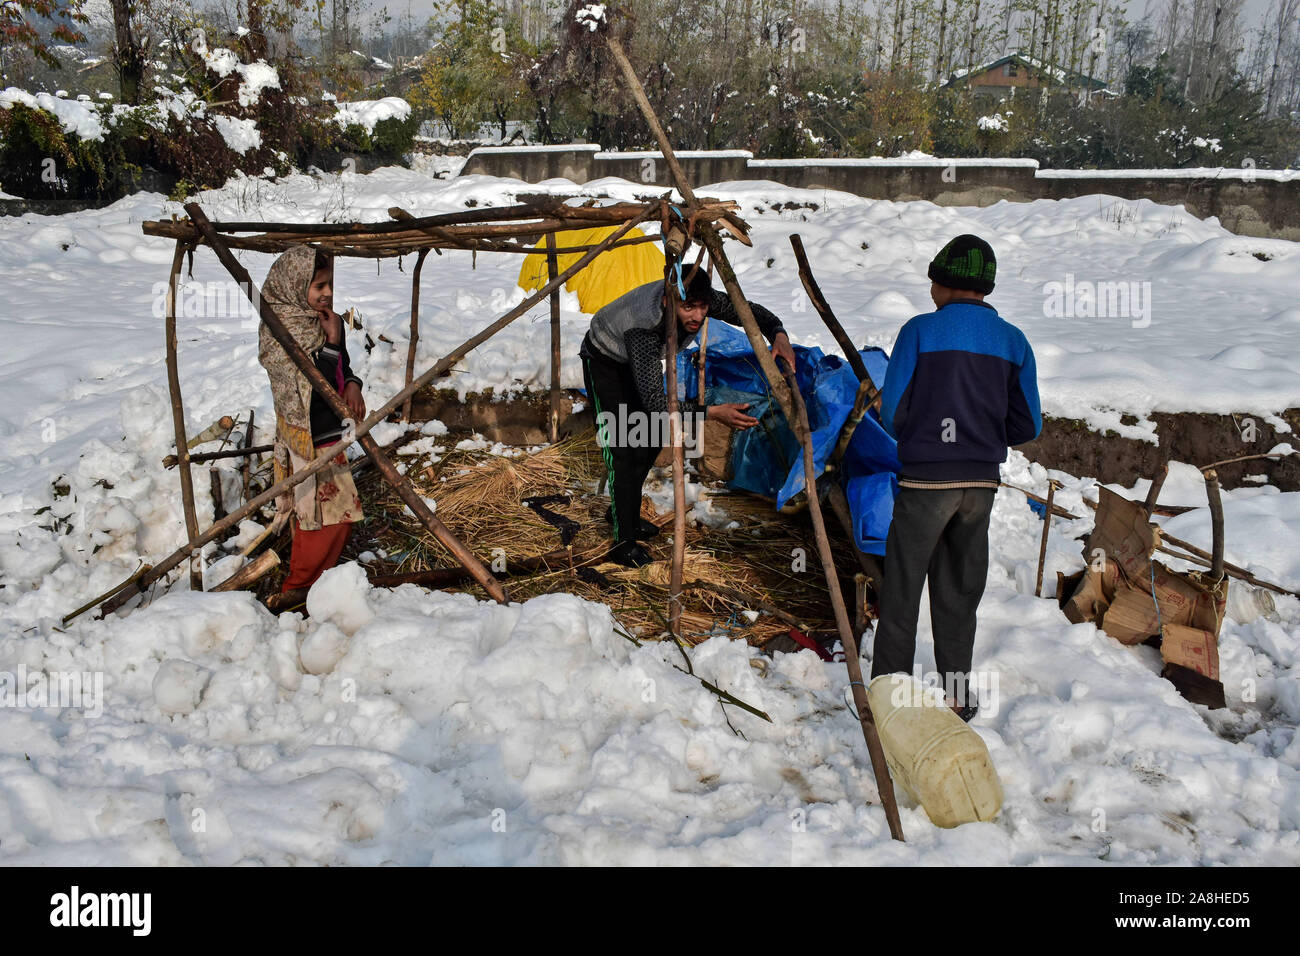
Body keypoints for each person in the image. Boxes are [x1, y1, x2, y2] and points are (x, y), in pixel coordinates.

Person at [871, 234, 1041, 720]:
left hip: (926, 482)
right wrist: (983, 435)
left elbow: (893, 411)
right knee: (959, 590)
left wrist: (923, 434)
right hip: (980, 485)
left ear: (941, 283)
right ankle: (955, 694)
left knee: (903, 586)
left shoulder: (919, 332)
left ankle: (891, 695)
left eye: (932, 281)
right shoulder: (1013, 340)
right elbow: (1027, 424)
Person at [581, 269, 796, 567]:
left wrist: (778, 333)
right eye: (688, 307)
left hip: (636, 361)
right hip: (605, 360)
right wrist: (712, 413)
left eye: (702, 307)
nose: (697, 315)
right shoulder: (644, 324)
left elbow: (747, 310)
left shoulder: (700, 299)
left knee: (652, 438)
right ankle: (623, 541)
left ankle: (623, 510)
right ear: (670, 302)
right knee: (624, 448)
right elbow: (658, 405)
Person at [258, 245, 366, 593]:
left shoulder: (324, 320)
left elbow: (339, 364)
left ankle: (318, 580)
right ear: (294, 285)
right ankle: (299, 587)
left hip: (331, 429)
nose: (328, 293)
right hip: (308, 434)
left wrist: (352, 383)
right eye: (319, 286)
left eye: (329, 284)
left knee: (335, 515)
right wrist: (332, 343)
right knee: (319, 519)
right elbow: (306, 382)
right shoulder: (280, 329)